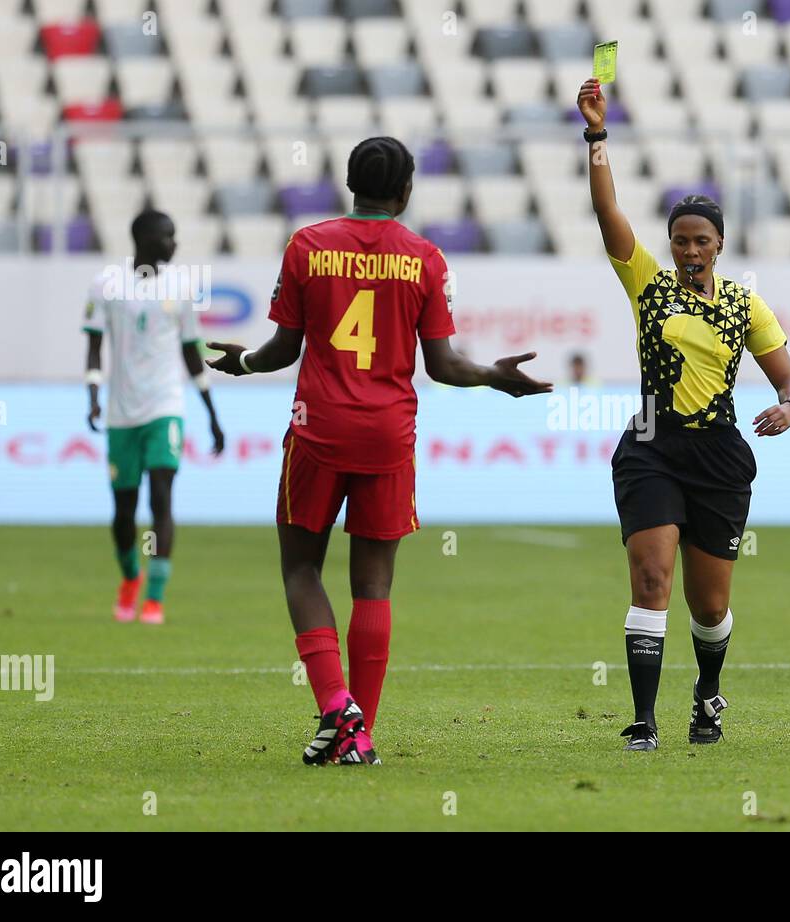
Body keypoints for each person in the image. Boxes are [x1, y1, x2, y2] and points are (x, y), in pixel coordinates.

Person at [207, 137, 551, 765]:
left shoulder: (307, 246)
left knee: (300, 569)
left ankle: (337, 707)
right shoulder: (424, 258)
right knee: (374, 586)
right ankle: (359, 739)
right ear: (406, 192)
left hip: (318, 429)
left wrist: (246, 363)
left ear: (348, 183)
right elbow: (443, 366)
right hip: (388, 434)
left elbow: (282, 350)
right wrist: (495, 377)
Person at [577, 78, 790, 751]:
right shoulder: (646, 284)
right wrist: (596, 134)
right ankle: (643, 721)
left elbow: (789, 378)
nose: (689, 250)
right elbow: (607, 211)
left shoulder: (745, 305)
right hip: (650, 447)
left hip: (719, 456)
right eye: (680, 240)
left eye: (701, 240)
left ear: (719, 244)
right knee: (651, 579)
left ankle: (707, 697)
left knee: (709, 607)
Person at [84, 209, 224, 625]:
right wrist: (92, 394)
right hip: (121, 412)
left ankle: (155, 598)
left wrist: (212, 413)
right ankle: (130, 576)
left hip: (166, 407)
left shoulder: (181, 287)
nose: (174, 244)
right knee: (124, 509)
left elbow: (190, 352)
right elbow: (93, 345)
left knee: (162, 496)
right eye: (167, 236)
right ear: (143, 238)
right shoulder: (107, 285)